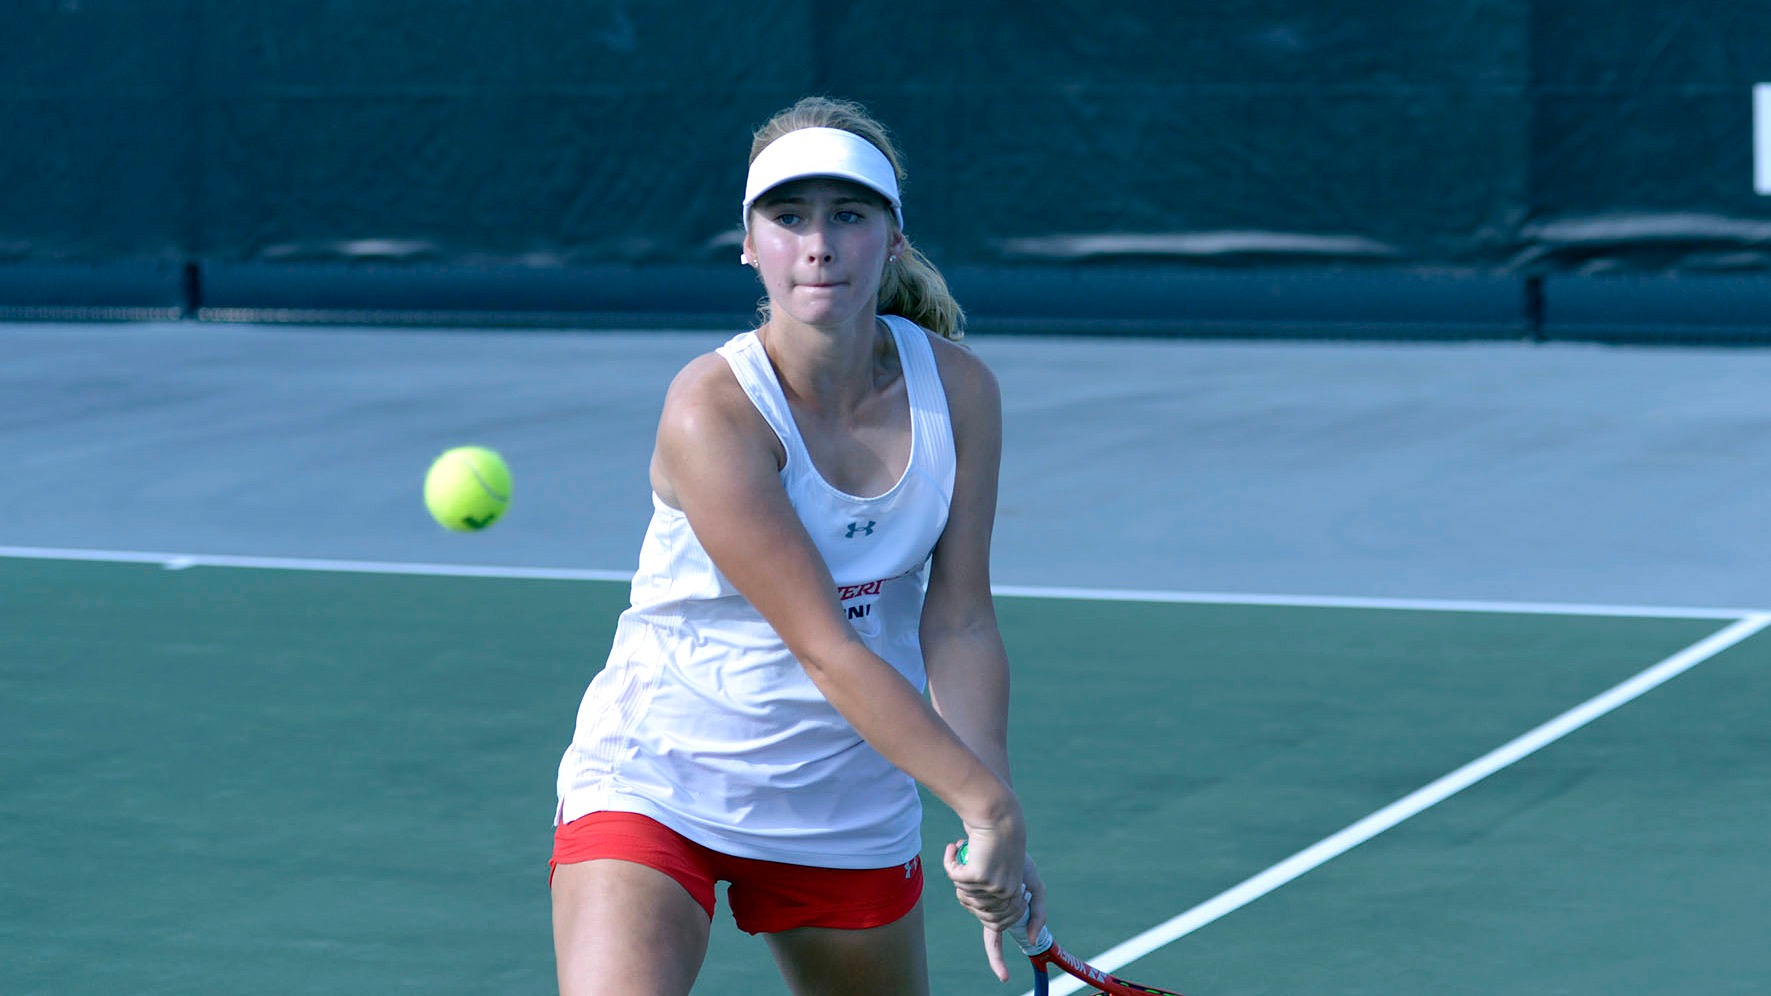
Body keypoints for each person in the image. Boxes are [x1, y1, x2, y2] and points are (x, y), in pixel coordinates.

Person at [550, 96, 1042, 996]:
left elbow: (962, 618)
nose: (817, 244)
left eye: (848, 216)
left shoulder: (960, 393)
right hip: (660, 775)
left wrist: (992, 822)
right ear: (748, 244)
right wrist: (982, 800)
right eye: (788, 217)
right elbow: (824, 644)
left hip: (846, 801)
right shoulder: (714, 409)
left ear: (892, 240)